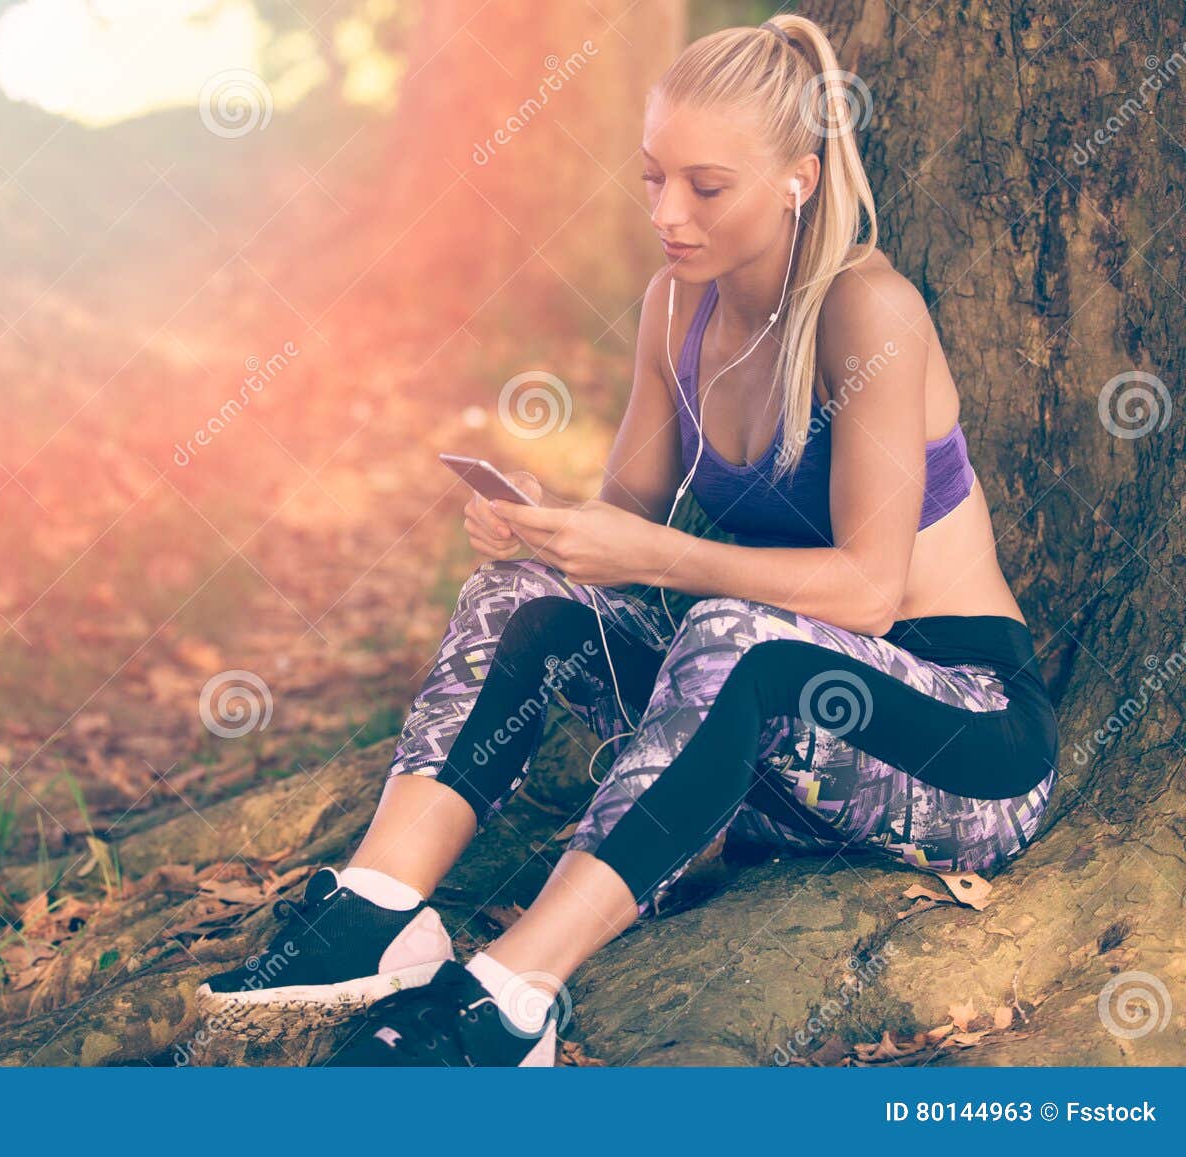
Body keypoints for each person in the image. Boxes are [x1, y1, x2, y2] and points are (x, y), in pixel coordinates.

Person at [195, 14, 1060, 1067]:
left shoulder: (866, 311)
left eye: (706, 186)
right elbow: (626, 529)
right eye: (652, 178)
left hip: (960, 744)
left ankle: (511, 994)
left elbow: (868, 592)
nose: (667, 212)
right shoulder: (673, 307)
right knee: (522, 594)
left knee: (736, 634)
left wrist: (654, 560)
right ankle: (375, 915)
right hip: (774, 768)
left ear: (797, 178)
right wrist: (543, 535)